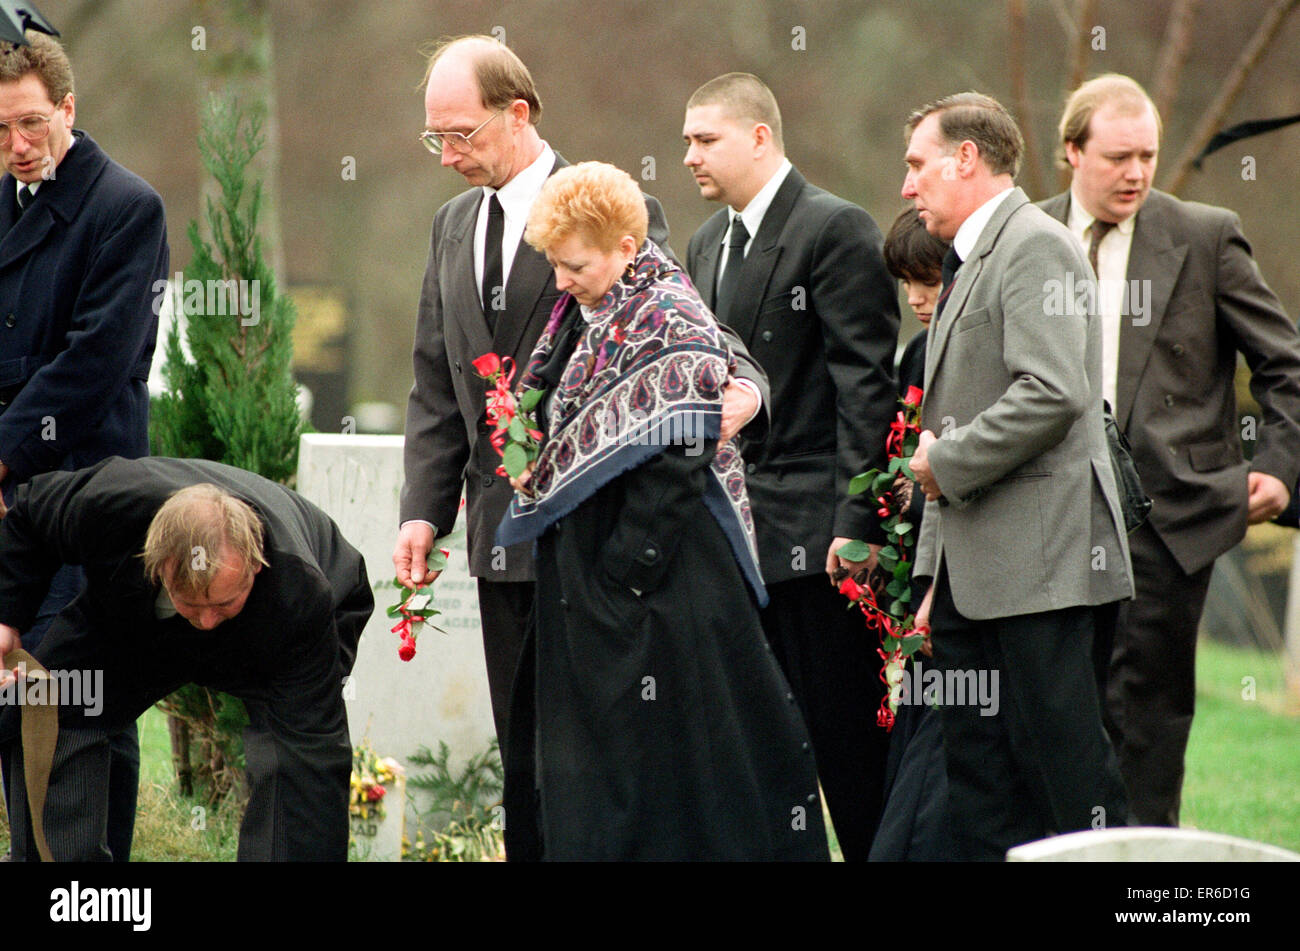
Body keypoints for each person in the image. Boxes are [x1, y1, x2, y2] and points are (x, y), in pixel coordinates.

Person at [395, 37, 769, 762]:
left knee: (593, 759)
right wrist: (422, 510)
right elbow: (436, 384)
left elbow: (685, 322)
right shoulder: (451, 226)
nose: (446, 156)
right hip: (498, 534)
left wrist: (748, 385)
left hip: (591, 539)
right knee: (521, 749)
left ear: (518, 113)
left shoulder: (605, 204)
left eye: (460, 134)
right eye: (434, 137)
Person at [496, 162, 827, 861]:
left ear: (624, 246)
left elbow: (683, 445)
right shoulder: (584, 313)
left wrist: (626, 571)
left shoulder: (668, 312)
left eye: (573, 264)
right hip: (595, 573)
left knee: (670, 768)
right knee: (604, 763)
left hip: (663, 577)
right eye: (553, 263)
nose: (559, 281)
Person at [1039, 74, 1300, 826]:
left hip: (1167, 518)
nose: (1137, 173)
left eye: (1148, 155)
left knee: (1147, 723)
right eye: (1118, 156)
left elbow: (1286, 365)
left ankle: (1148, 880)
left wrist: (1278, 467)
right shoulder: (1029, 235)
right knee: (1058, 716)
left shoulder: (1205, 235)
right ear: (1072, 152)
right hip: (1050, 516)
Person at [902, 92, 1133, 860]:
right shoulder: (970, 259)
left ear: (965, 157)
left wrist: (946, 461)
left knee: (1069, 784)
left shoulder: (1034, 243)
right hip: (975, 581)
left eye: (916, 164)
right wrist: (933, 574)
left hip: (1044, 570)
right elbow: (956, 416)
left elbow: (1055, 392)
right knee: (982, 787)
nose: (907, 186)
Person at [682, 72, 900, 860]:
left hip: (818, 544)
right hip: (734, 543)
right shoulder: (706, 243)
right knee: (760, 760)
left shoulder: (835, 229)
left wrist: (857, 526)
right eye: (686, 140)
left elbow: (865, 392)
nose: (689, 156)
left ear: (760, 137)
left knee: (849, 755)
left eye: (705, 139)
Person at [0, 456, 373, 861]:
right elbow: (29, 519)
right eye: (193, 604)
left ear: (254, 564)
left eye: (224, 603)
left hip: (275, 625)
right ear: (158, 565)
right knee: (53, 700)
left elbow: (313, 757)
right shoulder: (110, 503)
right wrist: (6, 618)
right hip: (139, 616)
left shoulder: (299, 594)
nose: (208, 622)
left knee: (291, 764)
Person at [0, 32, 168, 861]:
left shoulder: (126, 208)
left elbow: (96, 362)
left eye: (31, 125)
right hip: (9, 508)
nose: (17, 147)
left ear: (69, 108)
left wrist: (2, 452)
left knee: (80, 716)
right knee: (15, 710)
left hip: (84, 499)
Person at [868, 207, 954, 861]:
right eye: (907, 282)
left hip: (960, 587)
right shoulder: (918, 352)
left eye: (929, 280)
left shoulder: (969, 347)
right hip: (916, 583)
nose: (917, 298)